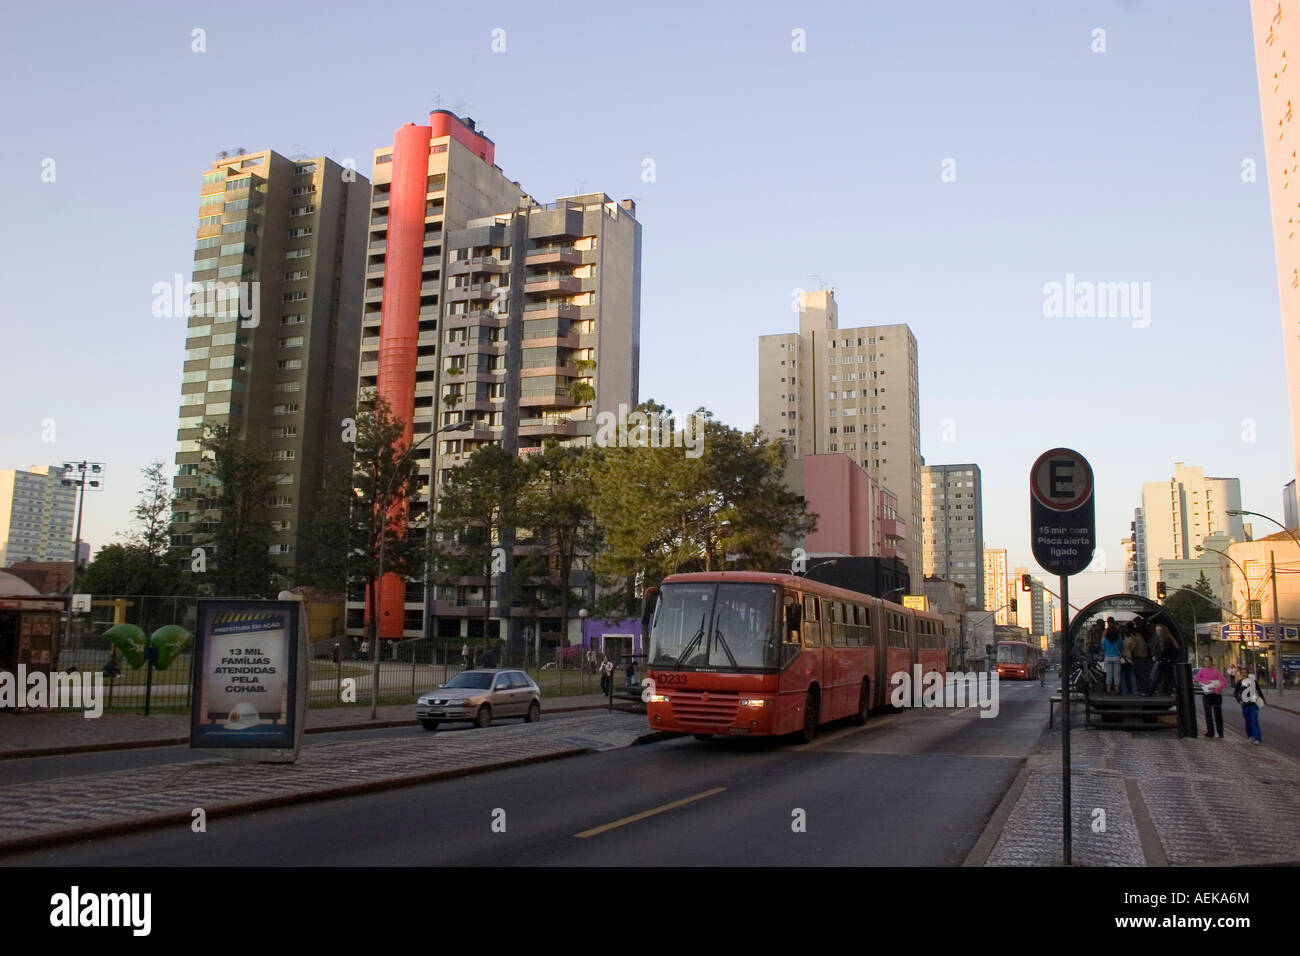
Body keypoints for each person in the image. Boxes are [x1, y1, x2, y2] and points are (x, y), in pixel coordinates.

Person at [1194, 656, 1227, 739]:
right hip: (1206, 694)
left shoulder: (1216, 672)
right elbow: (1197, 679)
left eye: (1208, 661)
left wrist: (1217, 689)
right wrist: (1206, 682)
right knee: (1208, 714)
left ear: (1212, 662)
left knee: (1218, 714)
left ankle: (1220, 733)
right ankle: (1210, 732)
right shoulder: (1202, 671)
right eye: (1205, 661)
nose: (1207, 662)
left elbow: (1224, 682)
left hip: (1216, 695)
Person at [1234, 669, 1265, 745]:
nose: (1244, 674)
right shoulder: (1239, 683)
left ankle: (1257, 739)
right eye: (1243, 673)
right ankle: (1250, 736)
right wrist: (1239, 701)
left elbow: (1259, 691)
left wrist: (1262, 700)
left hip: (1253, 705)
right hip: (1245, 705)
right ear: (1241, 674)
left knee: (1254, 721)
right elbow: (1235, 693)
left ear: (1248, 674)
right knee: (1248, 722)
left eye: (1246, 673)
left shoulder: (1253, 682)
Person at [1102, 619, 1123, 695]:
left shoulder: (1105, 639)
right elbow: (1121, 648)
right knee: (1117, 674)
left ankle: (1108, 689)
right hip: (1117, 657)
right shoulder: (1119, 639)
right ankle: (1117, 689)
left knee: (1109, 674)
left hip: (1108, 657)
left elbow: (1103, 648)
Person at [1130, 619, 1151, 694]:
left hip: (1138, 657)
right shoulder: (1144, 632)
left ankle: (1142, 688)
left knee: (1139, 674)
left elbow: (1133, 647)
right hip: (1145, 655)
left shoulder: (1135, 635)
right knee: (1145, 674)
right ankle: (1145, 688)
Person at [1120, 622, 1138, 696]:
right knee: (1131, 675)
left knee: (1122, 675)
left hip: (1122, 658)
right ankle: (1135, 691)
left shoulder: (1119, 639)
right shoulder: (1130, 638)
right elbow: (1133, 648)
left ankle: (1124, 691)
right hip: (1129, 657)